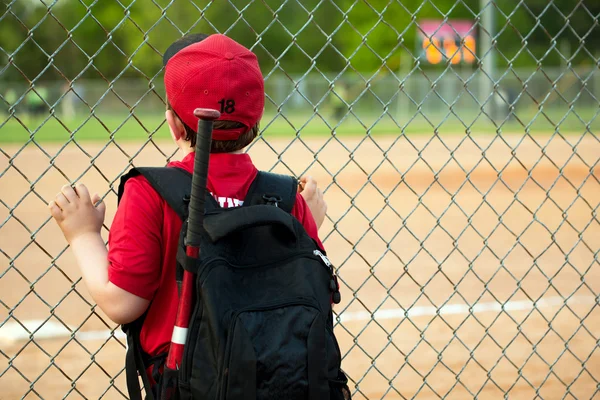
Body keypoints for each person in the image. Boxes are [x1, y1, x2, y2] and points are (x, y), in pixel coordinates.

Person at [48, 33, 329, 395]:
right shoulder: (286, 198)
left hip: (188, 386)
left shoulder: (150, 192)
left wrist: (83, 234)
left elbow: (122, 302)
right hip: (278, 381)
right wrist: (302, 226)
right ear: (255, 124)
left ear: (174, 125)